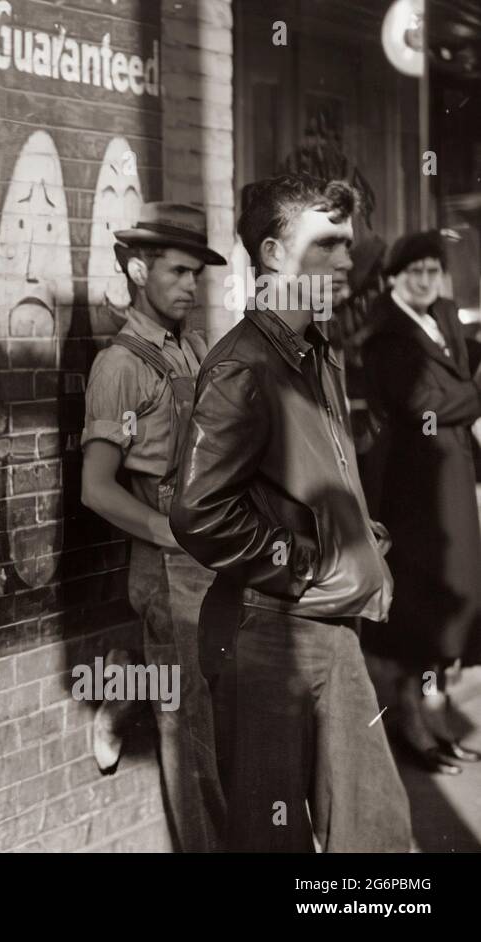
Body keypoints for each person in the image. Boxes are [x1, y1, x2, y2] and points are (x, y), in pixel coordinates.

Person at [170, 174, 411, 852]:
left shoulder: (318, 354)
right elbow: (199, 512)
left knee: (374, 835)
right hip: (267, 634)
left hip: (327, 627)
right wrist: (309, 562)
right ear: (274, 254)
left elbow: (301, 480)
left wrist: (355, 534)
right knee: (271, 841)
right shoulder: (243, 366)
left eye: (348, 245)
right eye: (326, 244)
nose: (345, 260)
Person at [80, 202, 228, 852]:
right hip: (167, 565)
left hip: (212, 553)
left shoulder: (193, 348)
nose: (190, 286)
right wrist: (167, 533)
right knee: (190, 727)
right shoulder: (120, 366)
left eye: (197, 274)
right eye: (178, 272)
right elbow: (95, 488)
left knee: (217, 710)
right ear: (139, 271)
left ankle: (128, 677)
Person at [361, 230, 481, 774]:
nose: (427, 280)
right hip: (414, 486)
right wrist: (474, 395)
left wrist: (459, 397)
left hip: (450, 476)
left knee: (448, 597)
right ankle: (409, 717)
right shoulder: (387, 334)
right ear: (393, 278)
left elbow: (442, 396)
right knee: (417, 602)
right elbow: (419, 404)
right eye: (416, 272)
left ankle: (434, 715)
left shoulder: (442, 320)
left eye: (434, 270)